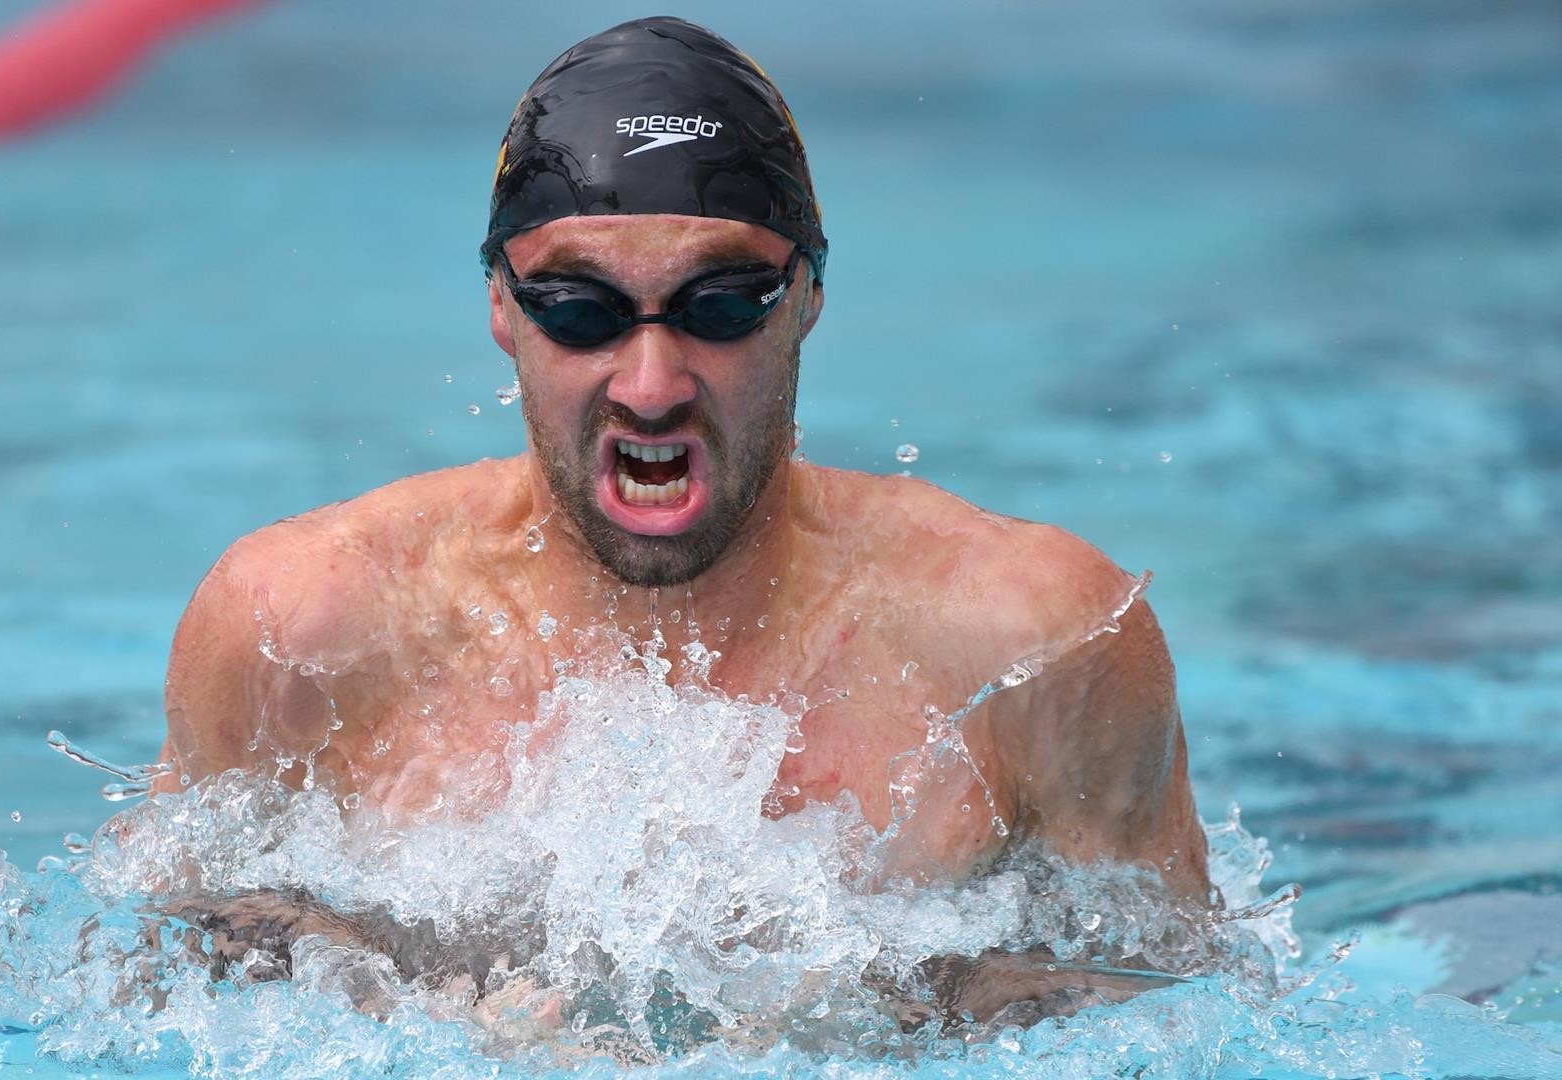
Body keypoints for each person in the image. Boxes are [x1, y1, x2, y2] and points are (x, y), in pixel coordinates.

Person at [154, 17, 1208, 906]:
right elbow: (153, 997)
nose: (651, 384)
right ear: (498, 308)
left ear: (806, 297)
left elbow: (1174, 1020)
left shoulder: (1035, 646)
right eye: (579, 309)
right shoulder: (300, 637)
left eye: (721, 303)